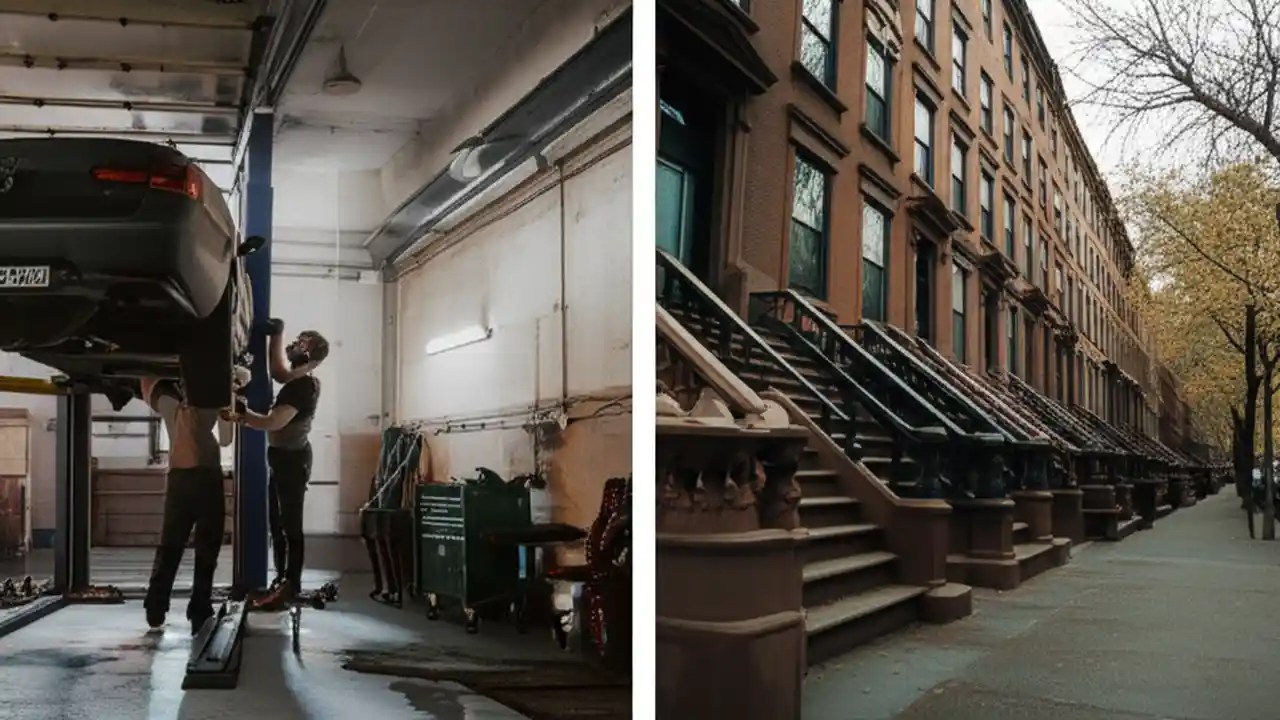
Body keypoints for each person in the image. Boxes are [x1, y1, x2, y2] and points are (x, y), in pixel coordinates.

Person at [225, 319, 328, 608]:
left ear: (312, 357)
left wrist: (240, 414)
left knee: (289, 525)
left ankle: (290, 585)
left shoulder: (303, 388)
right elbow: (279, 372)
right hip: (283, 457)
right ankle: (281, 580)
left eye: (302, 343)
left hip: (292, 462)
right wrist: (277, 334)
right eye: (297, 339)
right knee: (277, 524)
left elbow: (272, 422)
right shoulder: (296, 380)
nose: (295, 345)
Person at [141, 375, 235, 634]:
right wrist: (231, 404)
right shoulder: (214, 398)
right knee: (207, 547)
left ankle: (156, 608)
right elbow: (226, 440)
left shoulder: (168, 400)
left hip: (181, 477)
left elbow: (147, 382)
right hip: (206, 475)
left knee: (171, 545)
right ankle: (199, 608)